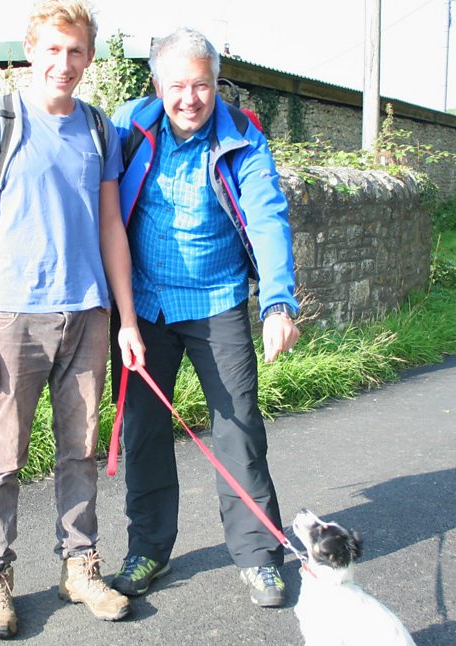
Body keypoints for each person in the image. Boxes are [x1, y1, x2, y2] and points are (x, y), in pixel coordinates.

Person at [0, 0, 145, 639]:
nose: (65, 64)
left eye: (77, 52)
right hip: (12, 317)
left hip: (87, 313)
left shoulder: (99, 130)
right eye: (54, 50)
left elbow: (112, 227)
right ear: (32, 51)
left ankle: (80, 565)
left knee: (80, 451)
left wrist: (126, 320)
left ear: (90, 58)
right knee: (2, 457)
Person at [109, 27, 301, 608]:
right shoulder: (128, 127)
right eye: (177, 86)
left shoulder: (243, 136)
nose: (189, 98)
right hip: (144, 306)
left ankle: (259, 554)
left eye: (201, 85)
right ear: (157, 85)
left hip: (217, 301)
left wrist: (277, 302)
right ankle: (148, 548)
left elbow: (268, 218)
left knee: (238, 427)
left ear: (217, 84)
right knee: (144, 433)